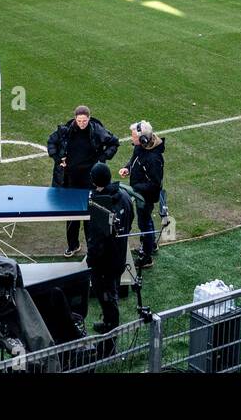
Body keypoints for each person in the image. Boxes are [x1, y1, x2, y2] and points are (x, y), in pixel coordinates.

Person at [48, 105, 120, 256]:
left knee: (90, 215)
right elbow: (51, 142)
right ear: (75, 118)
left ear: (89, 118)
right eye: (79, 120)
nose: (82, 123)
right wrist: (57, 158)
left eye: (84, 120)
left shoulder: (97, 130)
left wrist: (102, 158)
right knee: (72, 215)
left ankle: (91, 245)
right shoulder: (66, 130)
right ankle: (73, 245)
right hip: (71, 179)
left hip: (90, 180)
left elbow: (114, 142)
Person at [85, 163, 133, 333]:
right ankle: (108, 322)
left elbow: (96, 239)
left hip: (104, 263)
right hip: (118, 256)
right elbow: (130, 221)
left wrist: (91, 260)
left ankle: (110, 335)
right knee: (112, 292)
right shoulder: (125, 196)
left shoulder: (100, 205)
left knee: (107, 297)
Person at [120, 120, 164, 265]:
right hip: (140, 192)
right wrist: (128, 168)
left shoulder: (154, 159)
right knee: (145, 221)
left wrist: (136, 188)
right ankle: (150, 245)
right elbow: (135, 160)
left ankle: (146, 257)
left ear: (143, 139)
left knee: (144, 223)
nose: (132, 138)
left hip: (145, 196)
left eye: (134, 136)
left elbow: (155, 184)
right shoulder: (141, 147)